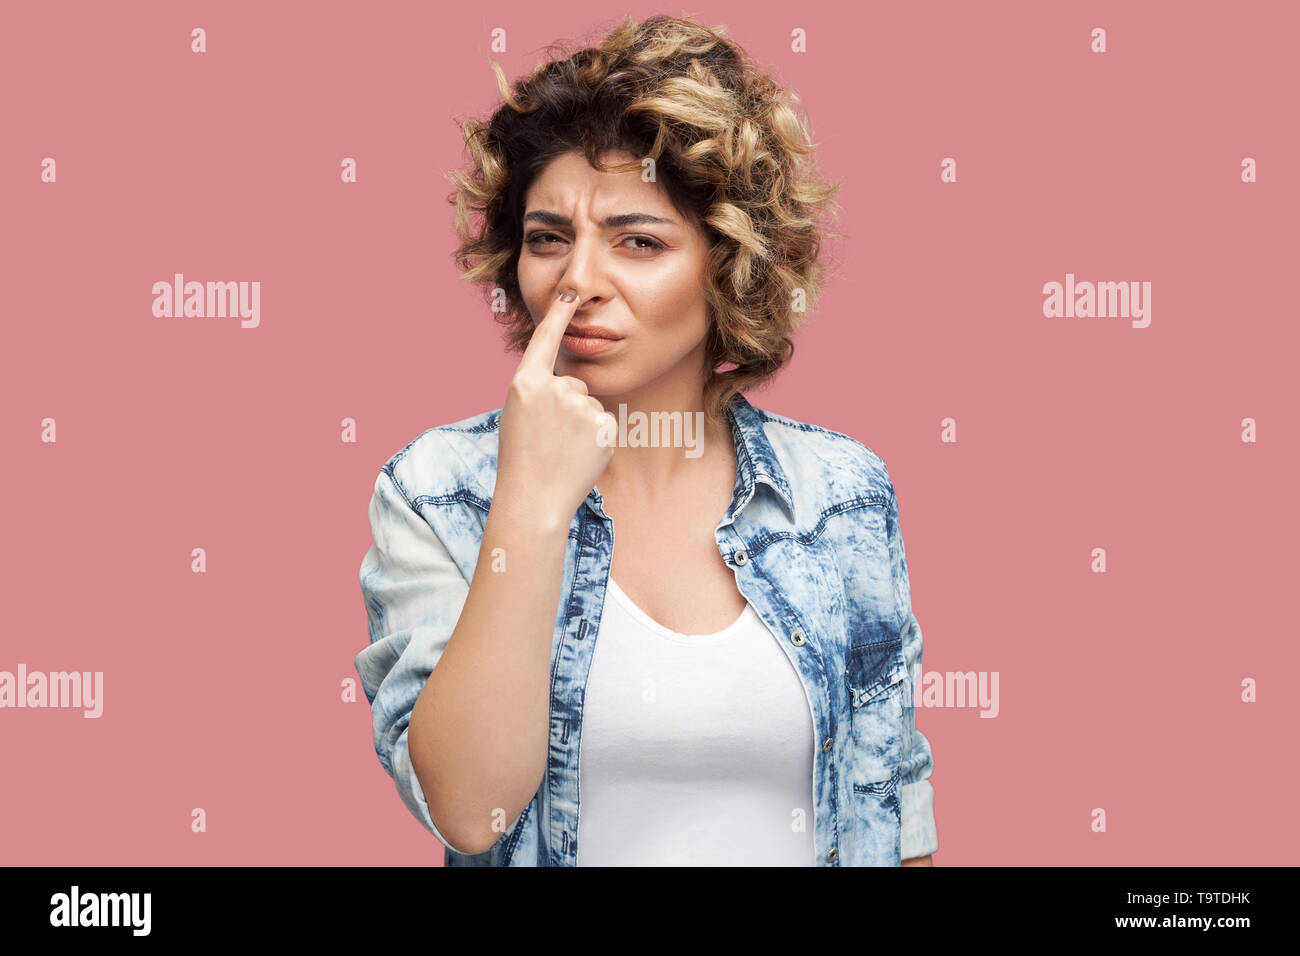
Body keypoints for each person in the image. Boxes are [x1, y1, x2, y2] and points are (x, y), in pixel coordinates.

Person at [354, 13, 937, 866]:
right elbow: (471, 812)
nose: (578, 280)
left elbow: (893, 802)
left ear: (728, 262)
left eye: (638, 241)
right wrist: (529, 502)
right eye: (549, 238)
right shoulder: (436, 490)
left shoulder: (841, 490)